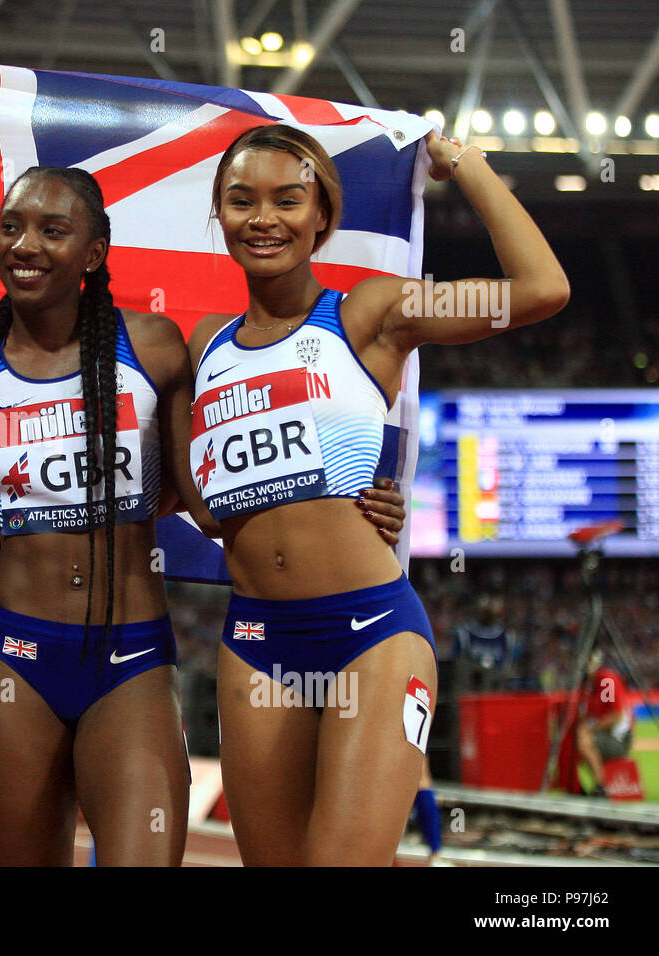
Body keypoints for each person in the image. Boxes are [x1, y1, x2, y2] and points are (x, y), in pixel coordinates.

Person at [0, 166, 408, 865]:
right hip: (15, 660)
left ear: (94, 254)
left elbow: (209, 499)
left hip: (132, 659)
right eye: (12, 226)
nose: (25, 244)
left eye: (53, 230)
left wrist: (352, 495)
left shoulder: (152, 349)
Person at [188, 124, 569, 865]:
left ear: (322, 216)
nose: (263, 218)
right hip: (256, 641)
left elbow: (540, 289)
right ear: (219, 214)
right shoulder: (206, 344)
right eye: (242, 200)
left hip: (371, 632)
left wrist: (465, 164)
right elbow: (202, 505)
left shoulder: (371, 313)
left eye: (287, 200)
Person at [577, 650, 633, 797]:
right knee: (573, 741)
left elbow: (616, 716)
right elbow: (585, 715)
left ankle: (601, 787)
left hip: (617, 738)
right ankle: (576, 785)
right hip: (604, 735)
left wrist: (589, 730)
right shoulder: (590, 685)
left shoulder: (605, 680)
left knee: (584, 742)